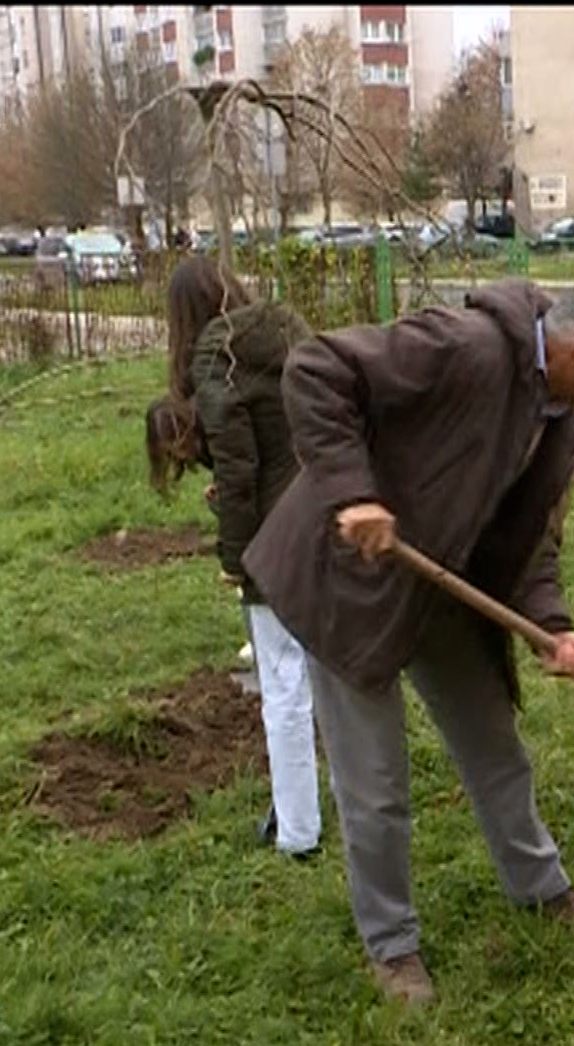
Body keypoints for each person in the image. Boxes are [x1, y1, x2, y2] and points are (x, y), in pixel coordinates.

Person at [241, 271, 574, 1007]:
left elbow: (533, 544)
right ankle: (393, 948)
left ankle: (543, 892)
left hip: (441, 584)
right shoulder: (465, 347)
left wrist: (553, 627)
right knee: (375, 786)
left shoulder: (562, 424)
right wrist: (354, 492)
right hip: (351, 582)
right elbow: (317, 368)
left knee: (495, 746)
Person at [144, 256, 324, 860]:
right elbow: (280, 435)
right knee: (330, 670)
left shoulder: (214, 362)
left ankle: (298, 830)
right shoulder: (282, 332)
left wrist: (235, 558)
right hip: (329, 505)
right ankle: (322, 801)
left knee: (282, 682)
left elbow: (243, 470)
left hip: (276, 532)